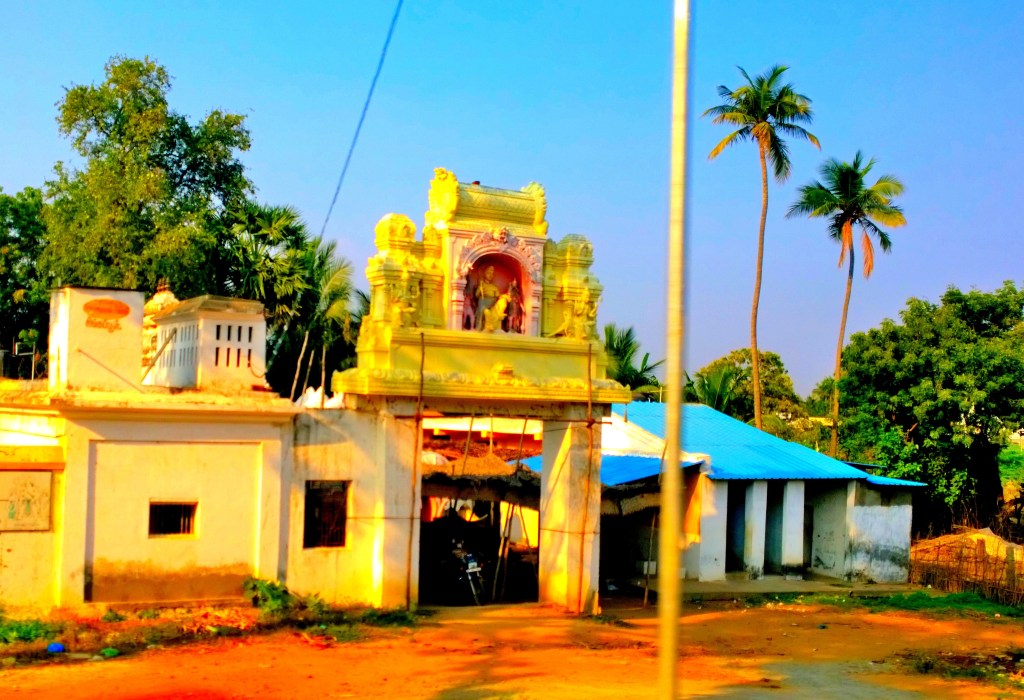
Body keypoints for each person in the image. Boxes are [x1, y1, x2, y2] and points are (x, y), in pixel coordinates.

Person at [474, 265, 501, 330]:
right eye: (488, 273)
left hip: (492, 303)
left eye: (492, 274)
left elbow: (498, 297)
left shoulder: (494, 287)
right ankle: (479, 326)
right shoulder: (482, 285)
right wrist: (480, 288)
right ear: (484, 274)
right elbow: (477, 295)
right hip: (483, 302)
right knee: (482, 310)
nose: (490, 275)